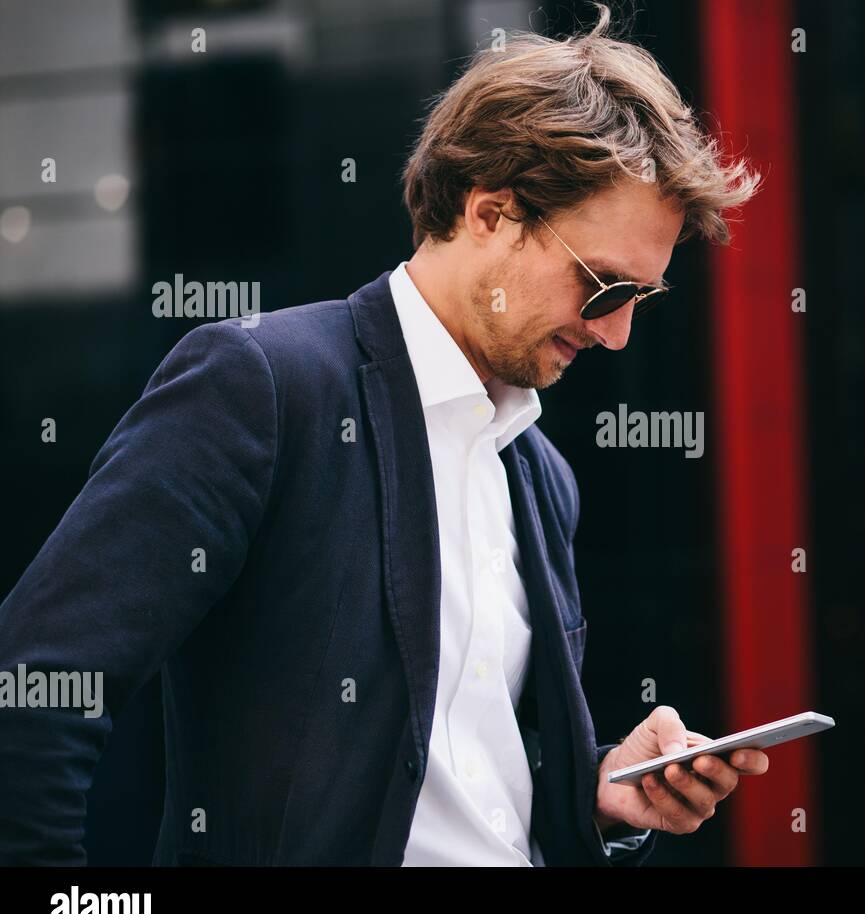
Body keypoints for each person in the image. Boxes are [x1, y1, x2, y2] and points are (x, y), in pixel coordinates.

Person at [0, 3, 767, 866]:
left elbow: (448, 779)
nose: (617, 332)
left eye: (641, 300)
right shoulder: (261, 387)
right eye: (603, 287)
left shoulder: (541, 474)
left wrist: (591, 793)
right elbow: (35, 690)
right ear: (489, 214)